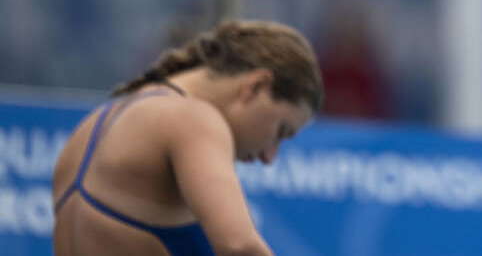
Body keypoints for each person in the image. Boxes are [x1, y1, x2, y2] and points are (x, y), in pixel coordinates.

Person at [51, 19, 323, 256]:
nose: (269, 157)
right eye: (280, 132)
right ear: (257, 85)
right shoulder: (193, 120)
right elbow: (239, 247)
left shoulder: (89, 129)